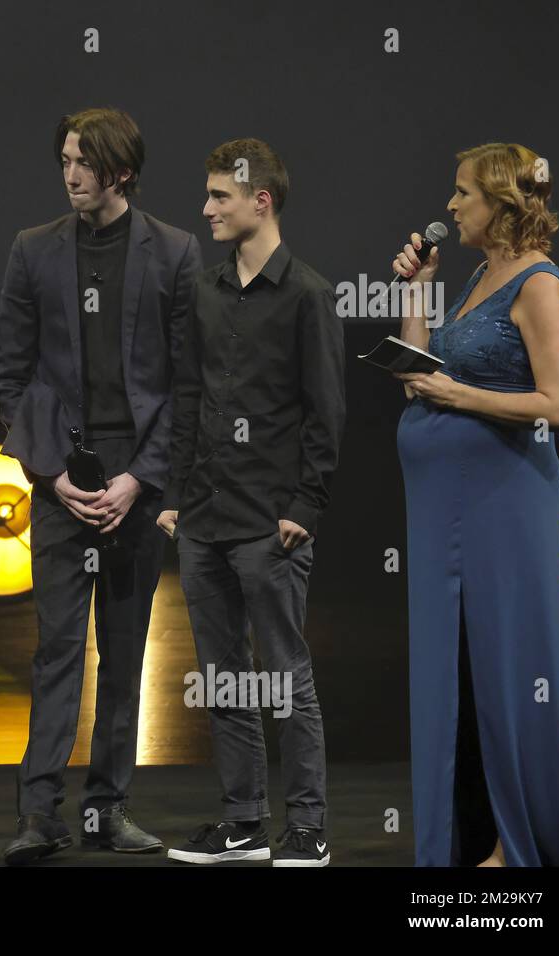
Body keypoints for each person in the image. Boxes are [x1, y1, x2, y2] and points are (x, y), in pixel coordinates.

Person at [0, 107, 201, 865]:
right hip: (61, 479)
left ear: (119, 170)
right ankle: (38, 813)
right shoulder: (32, 250)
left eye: (83, 162)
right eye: (65, 161)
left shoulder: (174, 252)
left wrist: (141, 482)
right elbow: (9, 378)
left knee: (125, 650)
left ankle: (107, 810)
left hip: (134, 484)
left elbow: (186, 385)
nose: (70, 174)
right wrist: (48, 475)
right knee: (55, 651)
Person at [392, 142, 559, 867]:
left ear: (502, 204)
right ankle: (465, 839)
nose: (450, 206)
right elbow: (419, 376)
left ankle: (518, 844)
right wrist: (419, 291)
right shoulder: (480, 274)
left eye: (461, 193)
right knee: (459, 668)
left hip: (507, 505)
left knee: (509, 668)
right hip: (449, 512)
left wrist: (459, 396)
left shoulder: (538, 283)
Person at [159, 138, 344, 867]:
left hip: (272, 521)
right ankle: (243, 823)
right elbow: (188, 396)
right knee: (224, 674)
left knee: (286, 674)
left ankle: (308, 825)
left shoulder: (308, 293)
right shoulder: (202, 289)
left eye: (218, 197)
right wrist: (174, 494)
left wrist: (306, 503)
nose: (205, 209)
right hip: (204, 515)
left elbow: (325, 412)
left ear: (259, 201)